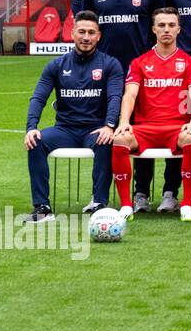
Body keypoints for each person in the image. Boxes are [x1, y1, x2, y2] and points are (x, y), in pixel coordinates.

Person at [86, 0, 166, 213]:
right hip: (106, 74)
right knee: (106, 135)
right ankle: (101, 194)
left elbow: (158, 28)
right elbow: (89, 29)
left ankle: (141, 192)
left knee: (140, 130)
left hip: (141, 73)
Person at [23, 12, 123, 222]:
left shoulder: (110, 64)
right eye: (82, 32)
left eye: (91, 32)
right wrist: (31, 126)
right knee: (35, 141)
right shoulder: (56, 65)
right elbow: (39, 97)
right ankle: (42, 207)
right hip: (65, 130)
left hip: (95, 129)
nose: (86, 37)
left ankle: (99, 202)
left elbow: (115, 97)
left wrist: (109, 125)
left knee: (106, 140)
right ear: (72, 33)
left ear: (98, 36)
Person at [110, 8, 191, 221]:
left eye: (171, 25)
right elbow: (130, 95)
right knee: (119, 139)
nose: (166, 30)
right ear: (153, 29)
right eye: (161, 25)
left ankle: (187, 204)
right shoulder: (140, 62)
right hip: (146, 128)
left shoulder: (189, 62)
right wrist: (124, 122)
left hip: (176, 128)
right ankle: (126, 205)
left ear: (179, 29)